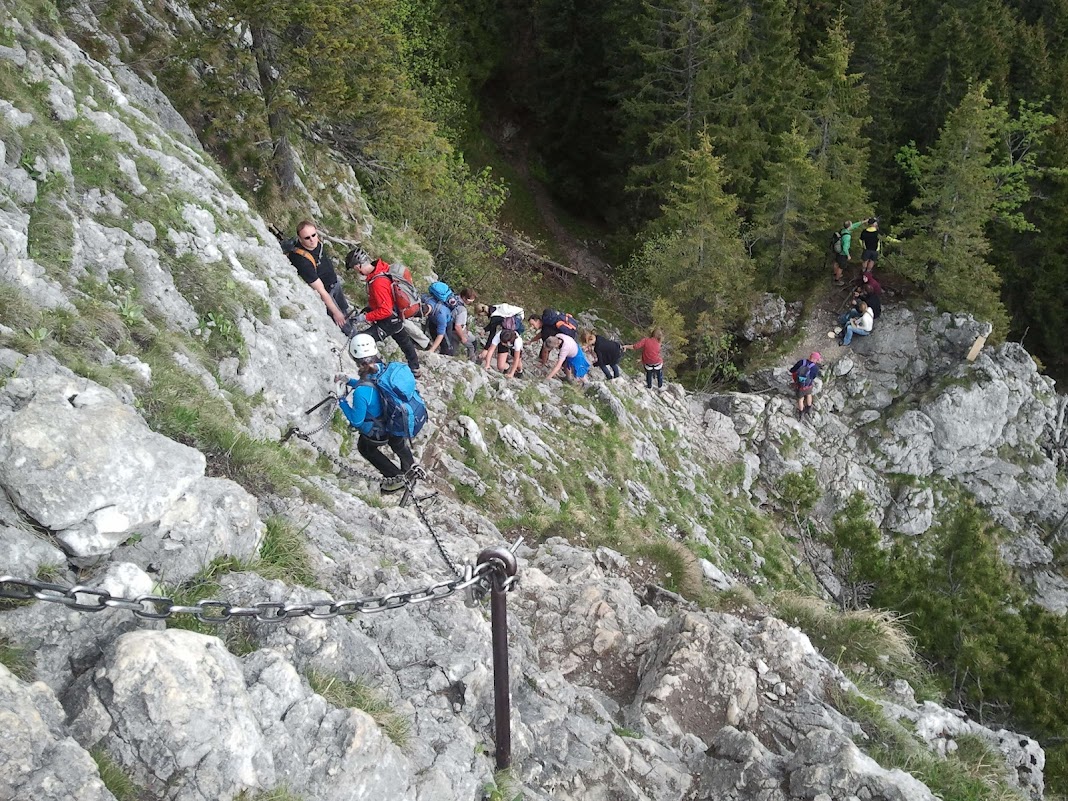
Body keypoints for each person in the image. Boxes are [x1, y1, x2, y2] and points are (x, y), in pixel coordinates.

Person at [336, 334, 416, 493]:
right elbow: (373, 385)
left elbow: (356, 421)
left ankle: (395, 478)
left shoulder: (361, 392)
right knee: (397, 442)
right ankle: (410, 469)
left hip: (380, 429)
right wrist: (350, 381)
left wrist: (341, 400)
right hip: (397, 419)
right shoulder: (384, 369)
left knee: (365, 447)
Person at [345, 247, 422, 377]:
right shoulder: (382, 269)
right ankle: (415, 368)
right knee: (404, 341)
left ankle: (379, 371)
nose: (356, 271)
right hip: (396, 316)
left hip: (388, 320)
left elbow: (385, 310)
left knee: (361, 341)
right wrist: (368, 310)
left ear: (358, 266)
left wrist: (365, 317)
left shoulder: (377, 282)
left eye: (354, 269)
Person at [287, 221, 355, 335]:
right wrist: (335, 312)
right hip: (327, 292)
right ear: (300, 239)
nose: (312, 240)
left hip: (334, 283)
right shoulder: (302, 260)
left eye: (314, 235)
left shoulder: (316, 243)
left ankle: (350, 324)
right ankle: (353, 336)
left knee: (344, 310)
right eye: (307, 238)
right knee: (342, 321)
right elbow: (321, 290)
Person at [789, 352, 822, 419]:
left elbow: (793, 370)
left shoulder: (801, 362)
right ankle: (809, 408)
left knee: (800, 399)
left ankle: (801, 413)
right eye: (817, 359)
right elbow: (813, 377)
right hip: (808, 385)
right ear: (814, 359)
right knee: (809, 395)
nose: (817, 361)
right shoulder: (815, 367)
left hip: (800, 386)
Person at [832, 220, 865, 285]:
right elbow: (845, 248)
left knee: (836, 262)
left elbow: (854, 226)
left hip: (838, 250)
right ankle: (837, 280)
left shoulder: (843, 230)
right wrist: (848, 255)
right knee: (841, 267)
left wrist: (863, 222)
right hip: (843, 253)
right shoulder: (847, 236)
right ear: (849, 226)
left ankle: (835, 273)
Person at [448, 288, 477, 360]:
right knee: (472, 345)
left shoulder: (454, 299)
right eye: (470, 300)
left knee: (452, 350)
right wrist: (463, 337)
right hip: (456, 331)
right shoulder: (462, 309)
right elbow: (458, 326)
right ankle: (472, 362)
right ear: (464, 297)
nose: (471, 302)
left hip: (448, 327)